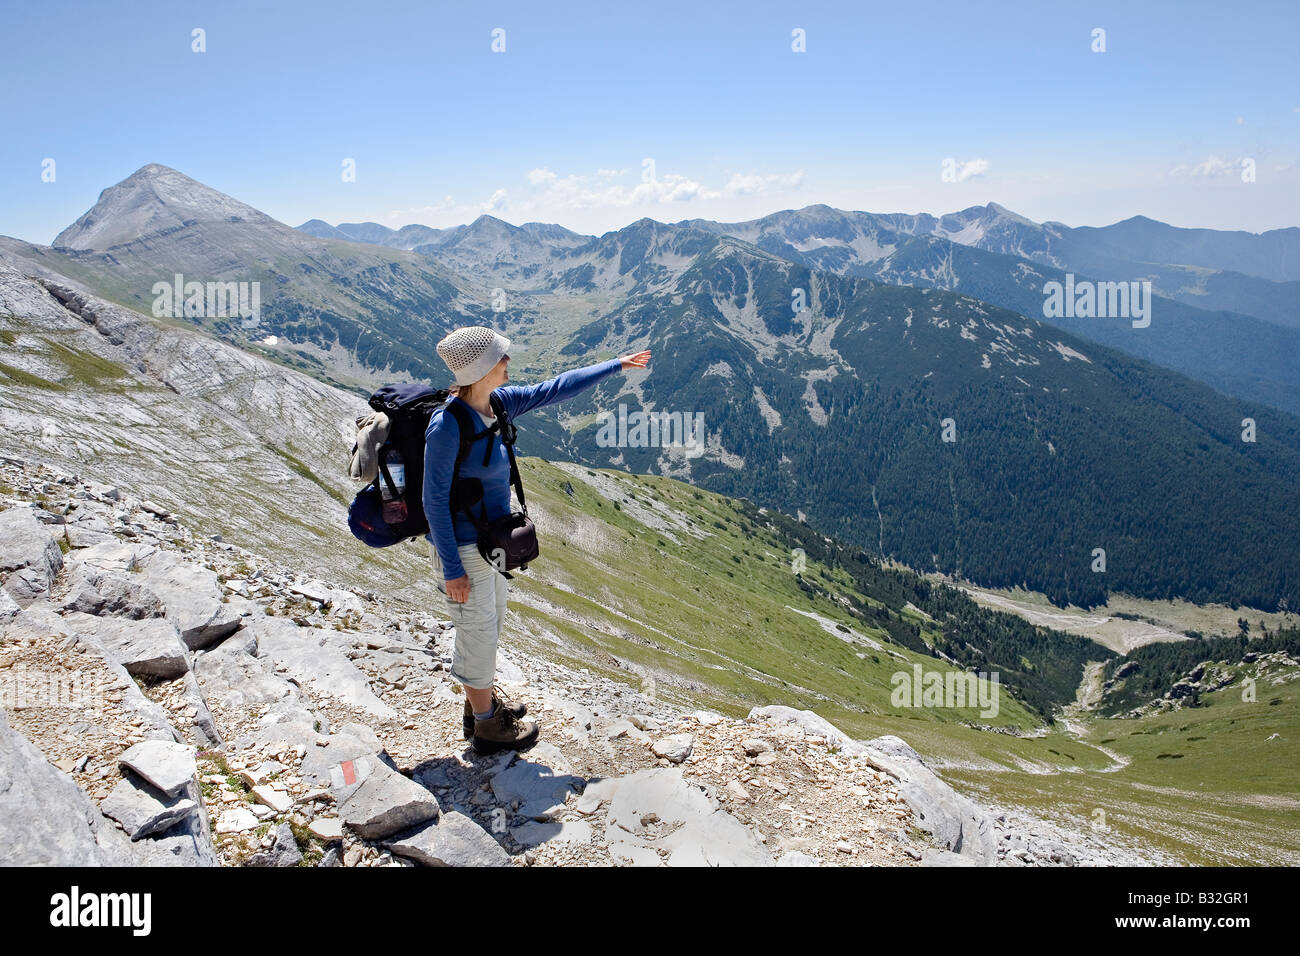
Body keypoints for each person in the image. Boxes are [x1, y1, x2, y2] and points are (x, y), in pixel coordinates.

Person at [424, 325, 651, 754]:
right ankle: (489, 728)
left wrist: (616, 365)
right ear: (482, 368)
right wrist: (452, 569)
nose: (507, 361)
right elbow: (433, 500)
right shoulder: (447, 426)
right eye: (500, 357)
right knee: (478, 632)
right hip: (462, 547)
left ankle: (480, 710)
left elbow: (555, 388)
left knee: (489, 627)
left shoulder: (499, 402)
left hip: (490, 544)